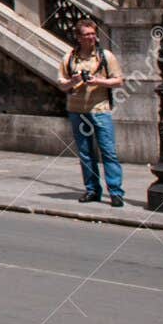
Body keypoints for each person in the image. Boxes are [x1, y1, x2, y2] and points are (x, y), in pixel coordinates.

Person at [59, 19, 126, 206]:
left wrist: (98, 81)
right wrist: (73, 81)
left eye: (93, 34)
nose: (91, 37)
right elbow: (61, 84)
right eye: (86, 34)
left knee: (108, 152)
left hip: (100, 110)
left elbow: (119, 81)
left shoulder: (105, 56)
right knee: (85, 153)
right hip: (77, 110)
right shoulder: (69, 58)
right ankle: (92, 190)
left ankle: (115, 192)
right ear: (78, 37)